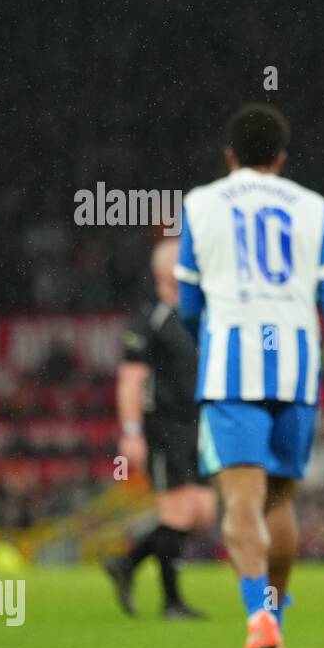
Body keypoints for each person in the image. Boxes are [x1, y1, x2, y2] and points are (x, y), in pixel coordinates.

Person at [176, 104, 324, 648]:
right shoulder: (311, 207)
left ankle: (256, 616)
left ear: (229, 157)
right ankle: (274, 619)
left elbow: (186, 305)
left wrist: (211, 335)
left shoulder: (200, 205)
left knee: (242, 501)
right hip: (296, 371)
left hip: (232, 369)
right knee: (280, 502)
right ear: (281, 158)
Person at [105, 239, 215, 619]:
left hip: (198, 424)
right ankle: (171, 602)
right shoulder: (148, 318)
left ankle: (128, 563)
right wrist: (131, 431)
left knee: (203, 511)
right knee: (178, 511)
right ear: (165, 270)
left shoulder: (200, 315)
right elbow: (131, 379)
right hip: (163, 424)